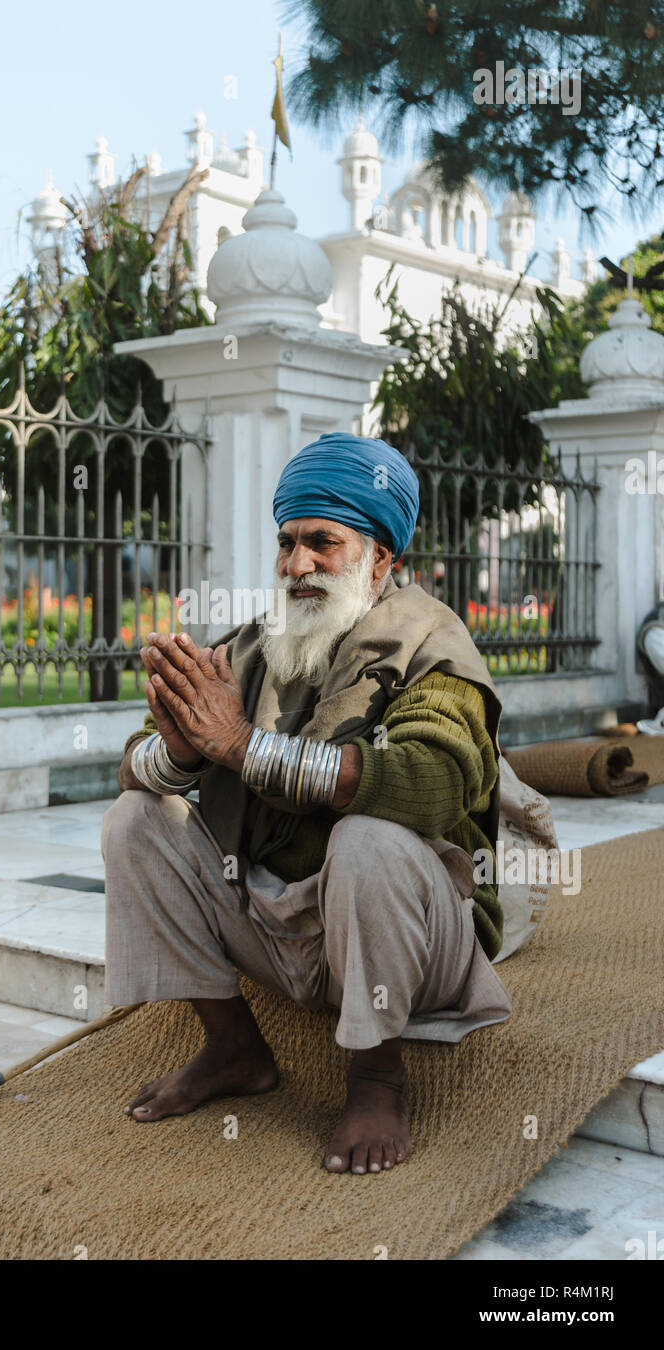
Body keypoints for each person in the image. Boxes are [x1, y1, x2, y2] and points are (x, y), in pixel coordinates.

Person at [102, 432, 511, 1175]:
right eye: (287, 543)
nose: (297, 566)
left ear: (380, 557)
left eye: (323, 542)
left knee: (370, 838)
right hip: (281, 927)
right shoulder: (254, 646)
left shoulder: (435, 648)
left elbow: (428, 782)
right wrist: (183, 750)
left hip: (419, 943)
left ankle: (377, 1078)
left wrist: (241, 748)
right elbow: (134, 763)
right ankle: (233, 1050)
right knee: (135, 818)